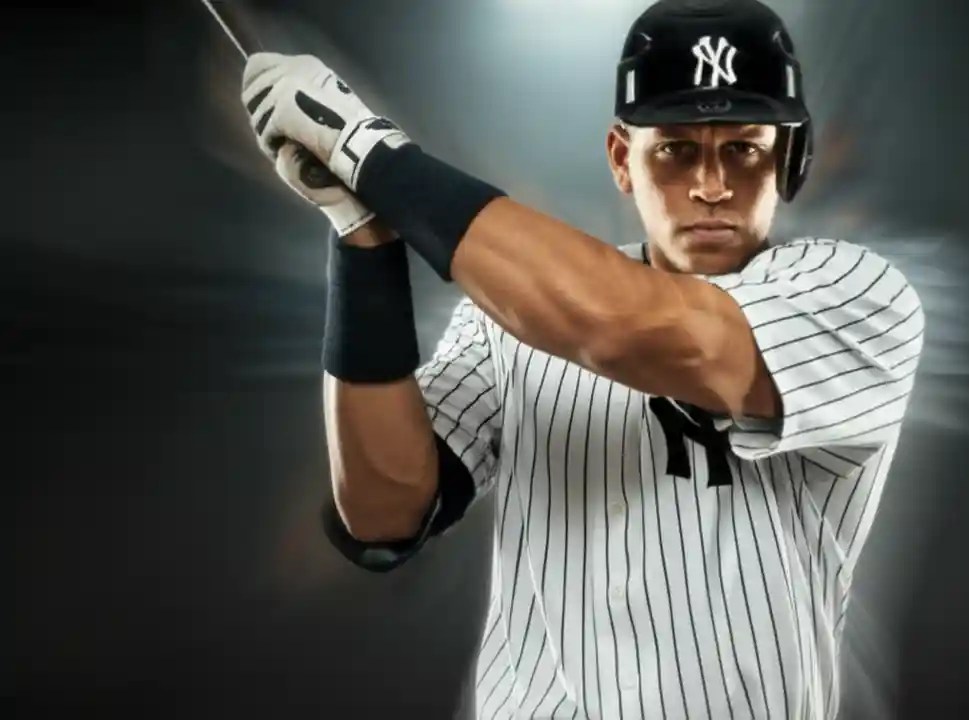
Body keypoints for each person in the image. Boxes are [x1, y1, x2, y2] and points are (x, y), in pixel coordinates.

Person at [241, 0, 925, 717]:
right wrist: (362, 236)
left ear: (791, 157)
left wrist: (372, 153)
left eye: (743, 148)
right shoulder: (507, 312)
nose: (712, 186)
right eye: (676, 149)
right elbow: (381, 512)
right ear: (621, 157)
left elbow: (627, 323)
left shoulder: (857, 295)